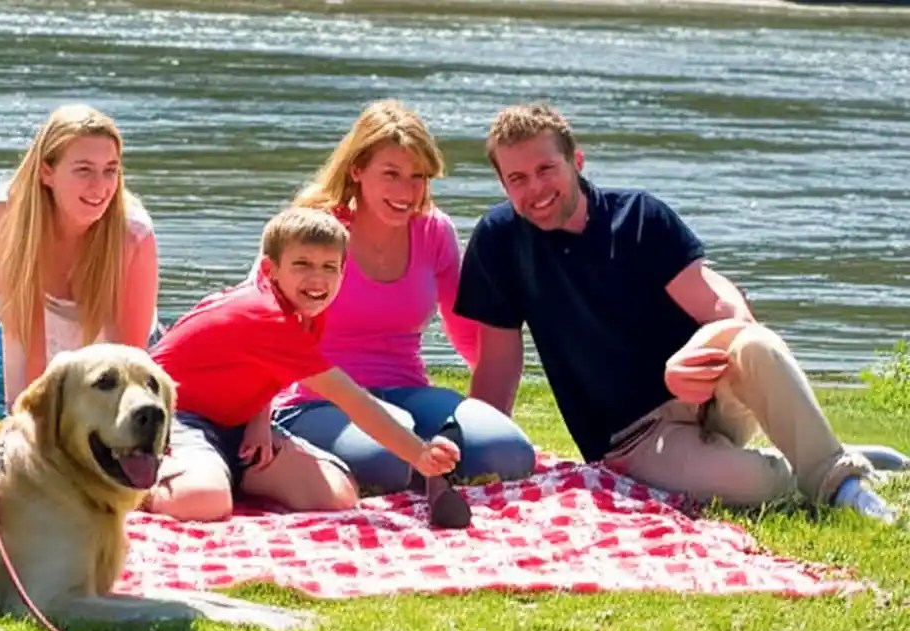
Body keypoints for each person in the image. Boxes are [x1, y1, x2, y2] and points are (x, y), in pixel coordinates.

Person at [455, 102, 897, 523]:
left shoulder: (639, 216)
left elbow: (722, 306)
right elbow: (498, 367)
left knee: (754, 341)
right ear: (503, 185)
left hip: (707, 390)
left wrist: (687, 365)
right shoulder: (499, 241)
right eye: (517, 178)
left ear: (577, 162)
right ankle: (809, 453)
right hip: (635, 441)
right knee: (765, 483)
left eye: (546, 169)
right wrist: (480, 454)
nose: (535, 189)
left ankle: (842, 482)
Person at [272, 99, 536, 501]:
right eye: (391, 174)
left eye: (418, 176)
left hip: (406, 391)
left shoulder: (434, 232)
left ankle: (433, 465)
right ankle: (425, 467)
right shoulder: (313, 227)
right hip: (317, 399)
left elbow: (469, 337)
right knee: (387, 459)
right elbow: (261, 324)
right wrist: (251, 419)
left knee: (508, 452)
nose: (406, 191)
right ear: (357, 170)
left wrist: (483, 418)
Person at [146, 207, 468, 528]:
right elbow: (351, 398)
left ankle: (221, 471)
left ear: (344, 273)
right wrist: (419, 454)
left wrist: (259, 417)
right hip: (174, 415)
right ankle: (133, 479)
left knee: (338, 496)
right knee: (204, 501)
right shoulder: (266, 314)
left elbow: (258, 367)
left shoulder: (301, 310)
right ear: (271, 269)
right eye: (302, 264)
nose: (317, 279)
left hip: (238, 422)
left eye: (330, 267)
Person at [0, 104, 159, 411]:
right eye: (84, 170)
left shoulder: (133, 237)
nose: (100, 186)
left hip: (116, 349)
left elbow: (129, 358)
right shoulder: (1, 219)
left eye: (110, 170)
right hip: (35, 338)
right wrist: (24, 420)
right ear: (46, 171)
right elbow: (24, 331)